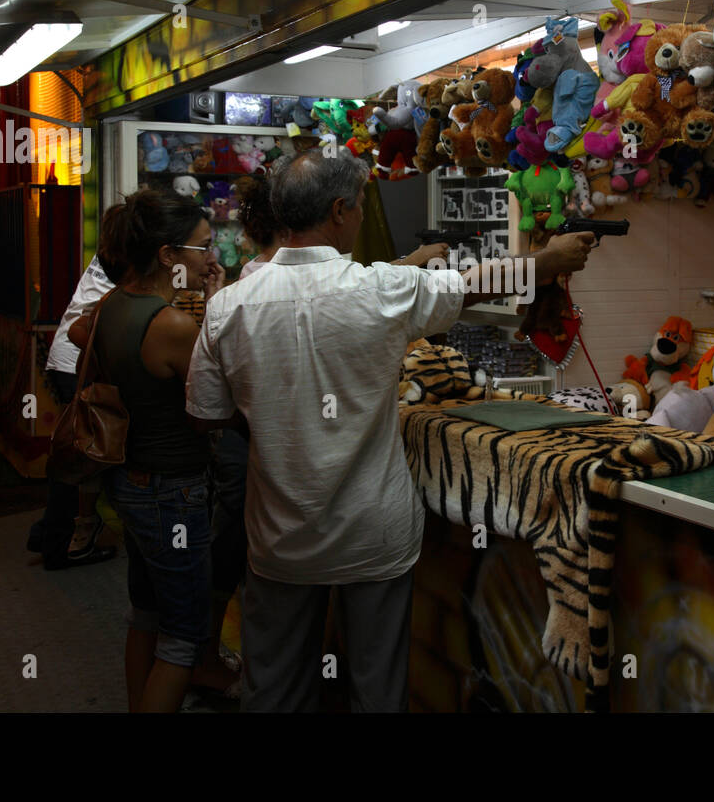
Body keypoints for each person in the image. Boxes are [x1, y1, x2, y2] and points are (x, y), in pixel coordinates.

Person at [185, 147, 593, 712]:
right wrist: (548, 261)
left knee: (273, 687)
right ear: (337, 211)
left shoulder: (228, 306)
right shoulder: (379, 290)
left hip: (281, 534)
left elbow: (206, 414)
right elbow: (469, 285)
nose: (357, 215)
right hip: (371, 533)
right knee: (377, 688)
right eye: (356, 206)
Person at [70, 189, 231, 711]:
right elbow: (217, 403)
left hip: (130, 481)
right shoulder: (170, 325)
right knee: (184, 635)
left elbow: (77, 331)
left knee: (145, 614)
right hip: (173, 491)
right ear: (168, 255)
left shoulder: (112, 305)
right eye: (203, 248)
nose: (211, 258)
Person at [29, 205, 131, 569]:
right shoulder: (124, 261)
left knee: (80, 454)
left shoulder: (112, 254)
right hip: (76, 361)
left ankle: (49, 533)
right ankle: (57, 545)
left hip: (70, 359)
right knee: (81, 455)